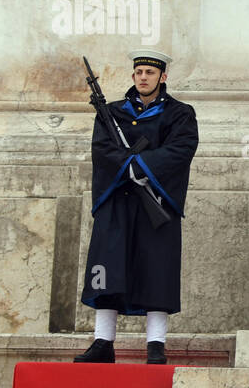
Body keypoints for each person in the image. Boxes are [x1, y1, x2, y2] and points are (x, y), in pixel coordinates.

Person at [75, 50, 198, 364]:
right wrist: (128, 170)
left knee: (157, 268)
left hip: (156, 198)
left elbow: (181, 149)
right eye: (139, 72)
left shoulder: (180, 113)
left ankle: (156, 344)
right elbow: (101, 150)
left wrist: (142, 167)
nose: (143, 77)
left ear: (163, 77)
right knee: (107, 268)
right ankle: (103, 341)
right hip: (117, 197)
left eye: (150, 72)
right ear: (133, 76)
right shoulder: (111, 113)